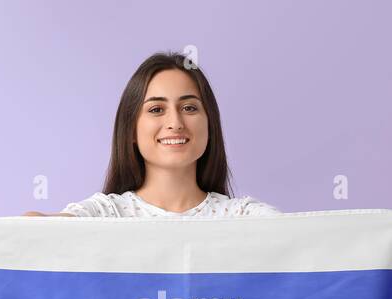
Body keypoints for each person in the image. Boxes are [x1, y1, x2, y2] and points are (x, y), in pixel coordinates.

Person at [26, 52, 280, 219]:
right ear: (131, 130)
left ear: (210, 125)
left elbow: (309, 242)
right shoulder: (106, 215)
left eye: (189, 108)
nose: (175, 123)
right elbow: (31, 230)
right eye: (156, 109)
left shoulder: (241, 217)